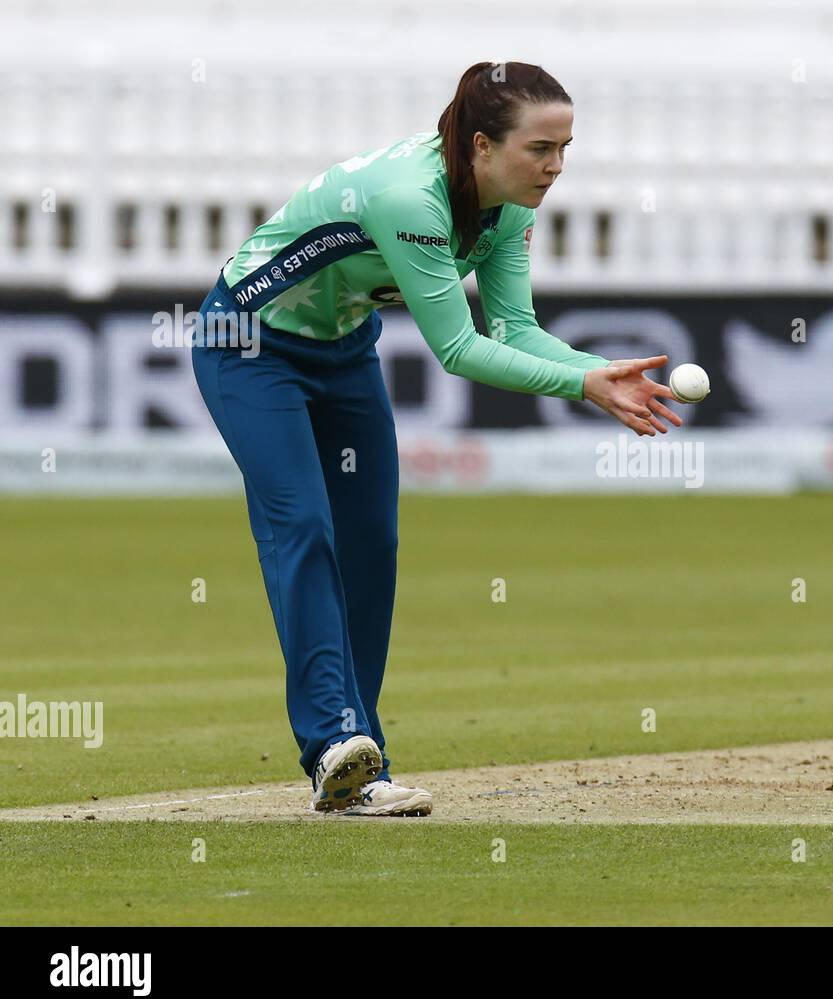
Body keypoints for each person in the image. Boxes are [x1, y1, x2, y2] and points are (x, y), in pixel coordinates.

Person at [190, 61, 683, 816]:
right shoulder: (410, 198)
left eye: (565, 148)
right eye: (540, 149)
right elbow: (458, 350)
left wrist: (595, 371)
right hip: (246, 346)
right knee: (302, 526)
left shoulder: (509, 205)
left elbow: (515, 329)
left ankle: (354, 766)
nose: (555, 167)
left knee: (372, 545)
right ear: (481, 145)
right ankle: (334, 741)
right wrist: (582, 385)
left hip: (343, 350)